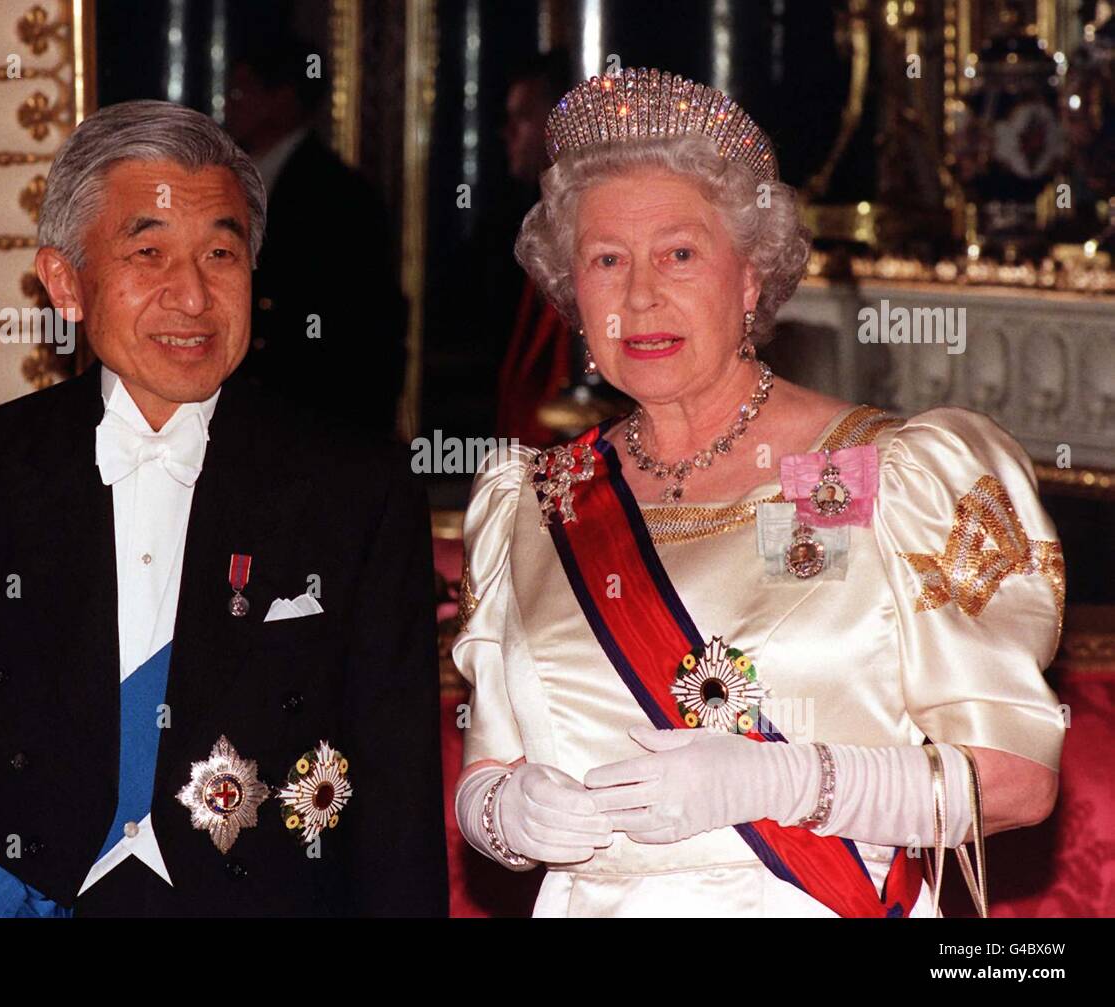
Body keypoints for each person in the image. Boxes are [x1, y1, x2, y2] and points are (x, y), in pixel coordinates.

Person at [452, 69, 1065, 917]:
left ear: (750, 280)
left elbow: (1014, 782)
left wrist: (782, 777)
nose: (640, 295)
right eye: (606, 260)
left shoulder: (873, 473)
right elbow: (488, 763)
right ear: (573, 293)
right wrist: (503, 813)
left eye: (679, 253)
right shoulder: (532, 503)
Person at [0, 100, 447, 918]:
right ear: (65, 281)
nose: (193, 295)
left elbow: (397, 802)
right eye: (149, 252)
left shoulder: (354, 488)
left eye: (220, 252)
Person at [224, 33, 406, 437]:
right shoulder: (230, 182)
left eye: (242, 90)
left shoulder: (339, 195)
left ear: (283, 98)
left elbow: (364, 330)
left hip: (312, 418)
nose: (230, 104)